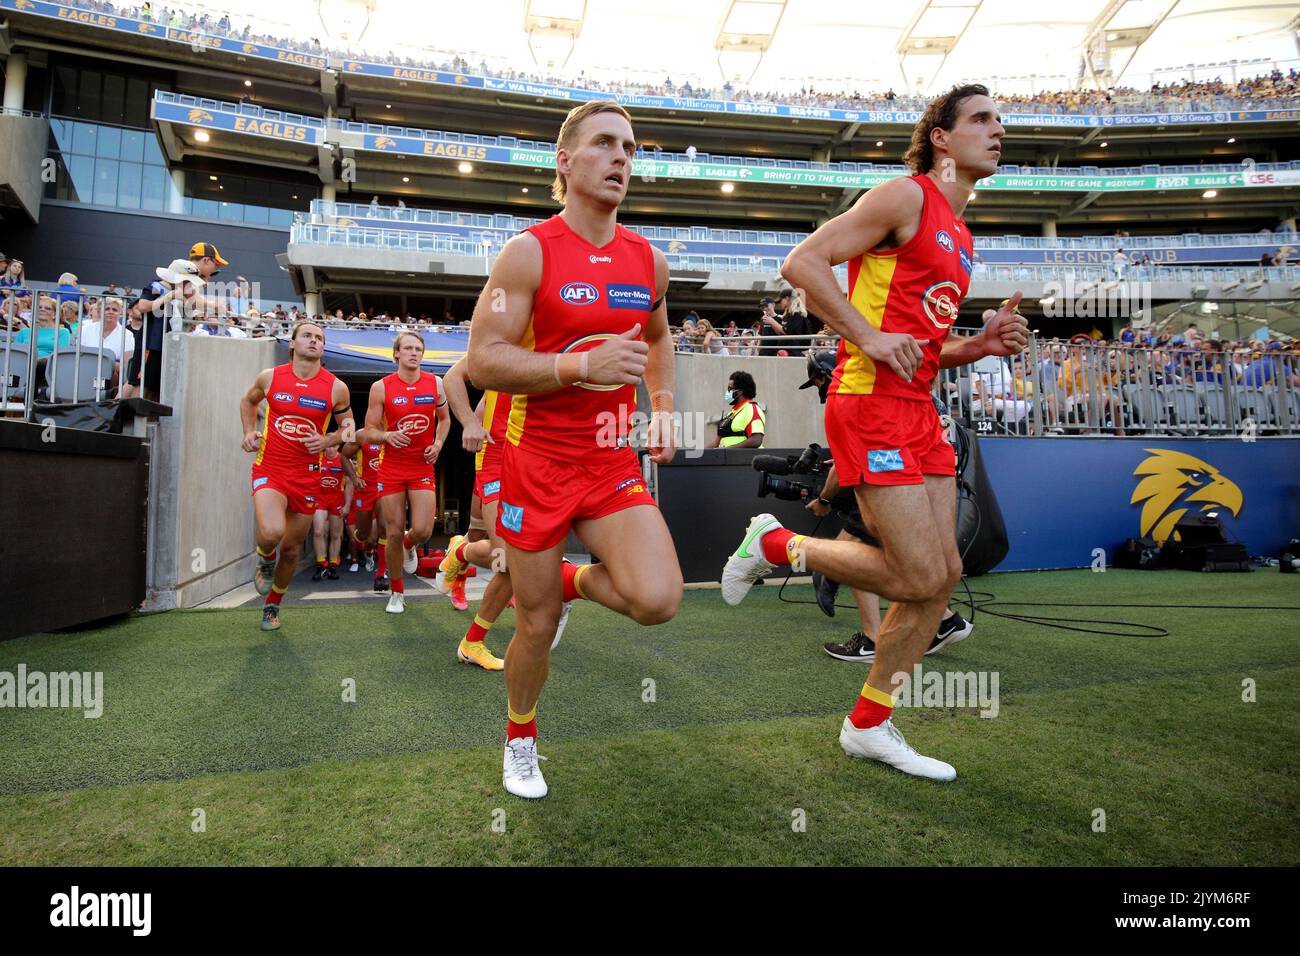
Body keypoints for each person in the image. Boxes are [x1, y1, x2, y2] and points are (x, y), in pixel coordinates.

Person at [723, 83, 1028, 782]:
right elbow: (802, 263)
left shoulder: (960, 234)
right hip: (867, 404)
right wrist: (863, 333)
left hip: (918, 408)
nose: (997, 130)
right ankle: (775, 542)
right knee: (920, 571)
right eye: (981, 119)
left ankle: (870, 725)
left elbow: (917, 347)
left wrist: (976, 346)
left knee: (943, 577)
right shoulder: (906, 196)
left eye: (1000, 121)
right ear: (942, 138)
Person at [466, 99, 682, 800]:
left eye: (630, 146)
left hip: (611, 459)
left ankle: (570, 580)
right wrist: (574, 367)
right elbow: (482, 359)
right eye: (604, 144)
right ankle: (520, 739)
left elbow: (657, 339)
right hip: (536, 463)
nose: (622, 157)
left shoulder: (649, 259)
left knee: (658, 599)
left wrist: (666, 407)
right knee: (534, 624)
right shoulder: (529, 251)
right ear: (565, 161)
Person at [239, 321, 355, 631]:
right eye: (307, 335)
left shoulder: (335, 387)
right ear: (292, 344)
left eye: (319, 338)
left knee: (290, 550)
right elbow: (249, 401)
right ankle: (264, 556)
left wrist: (329, 441)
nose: (314, 341)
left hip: (307, 478)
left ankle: (272, 605)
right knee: (272, 533)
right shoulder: (270, 377)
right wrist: (249, 432)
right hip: (271, 470)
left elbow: (349, 429)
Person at [361, 331, 450, 614]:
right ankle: (397, 592)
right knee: (394, 532)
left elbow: (445, 420)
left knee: (422, 529)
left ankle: (411, 546)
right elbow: (369, 431)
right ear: (397, 353)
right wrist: (387, 436)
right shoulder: (381, 387)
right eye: (408, 348)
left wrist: (437, 444)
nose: (414, 353)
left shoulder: (436, 383)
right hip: (392, 468)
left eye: (419, 349)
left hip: (421, 466)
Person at [311, 445, 355, 580]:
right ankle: (320, 564)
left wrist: (347, 505)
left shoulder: (343, 460)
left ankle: (332, 565)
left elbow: (349, 484)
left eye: (333, 446)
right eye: (327, 447)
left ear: (337, 446)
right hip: (320, 500)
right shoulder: (317, 458)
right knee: (319, 531)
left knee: (335, 535)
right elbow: (308, 477)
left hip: (337, 500)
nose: (330, 449)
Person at [706, 370, 765, 448]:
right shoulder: (732, 413)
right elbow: (716, 443)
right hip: (727, 458)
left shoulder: (752, 409)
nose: (727, 392)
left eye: (730, 389)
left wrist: (727, 450)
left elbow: (756, 440)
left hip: (744, 458)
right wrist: (699, 455)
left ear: (740, 392)